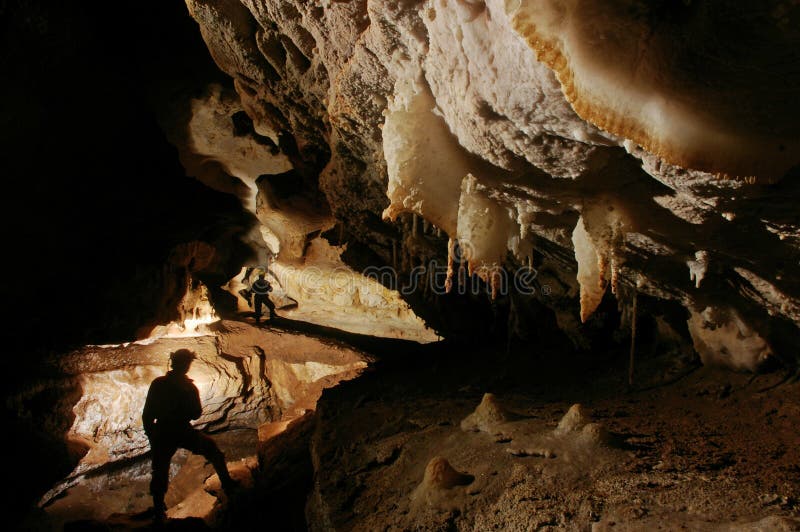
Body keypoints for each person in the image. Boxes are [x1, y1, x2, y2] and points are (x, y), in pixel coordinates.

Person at [142, 349, 238, 520]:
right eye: (186, 363)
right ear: (185, 364)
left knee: (160, 469)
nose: (187, 366)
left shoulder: (159, 383)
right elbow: (196, 413)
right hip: (179, 430)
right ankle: (227, 483)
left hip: (165, 431)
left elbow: (148, 414)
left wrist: (152, 437)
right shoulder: (187, 386)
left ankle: (158, 507)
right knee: (211, 450)